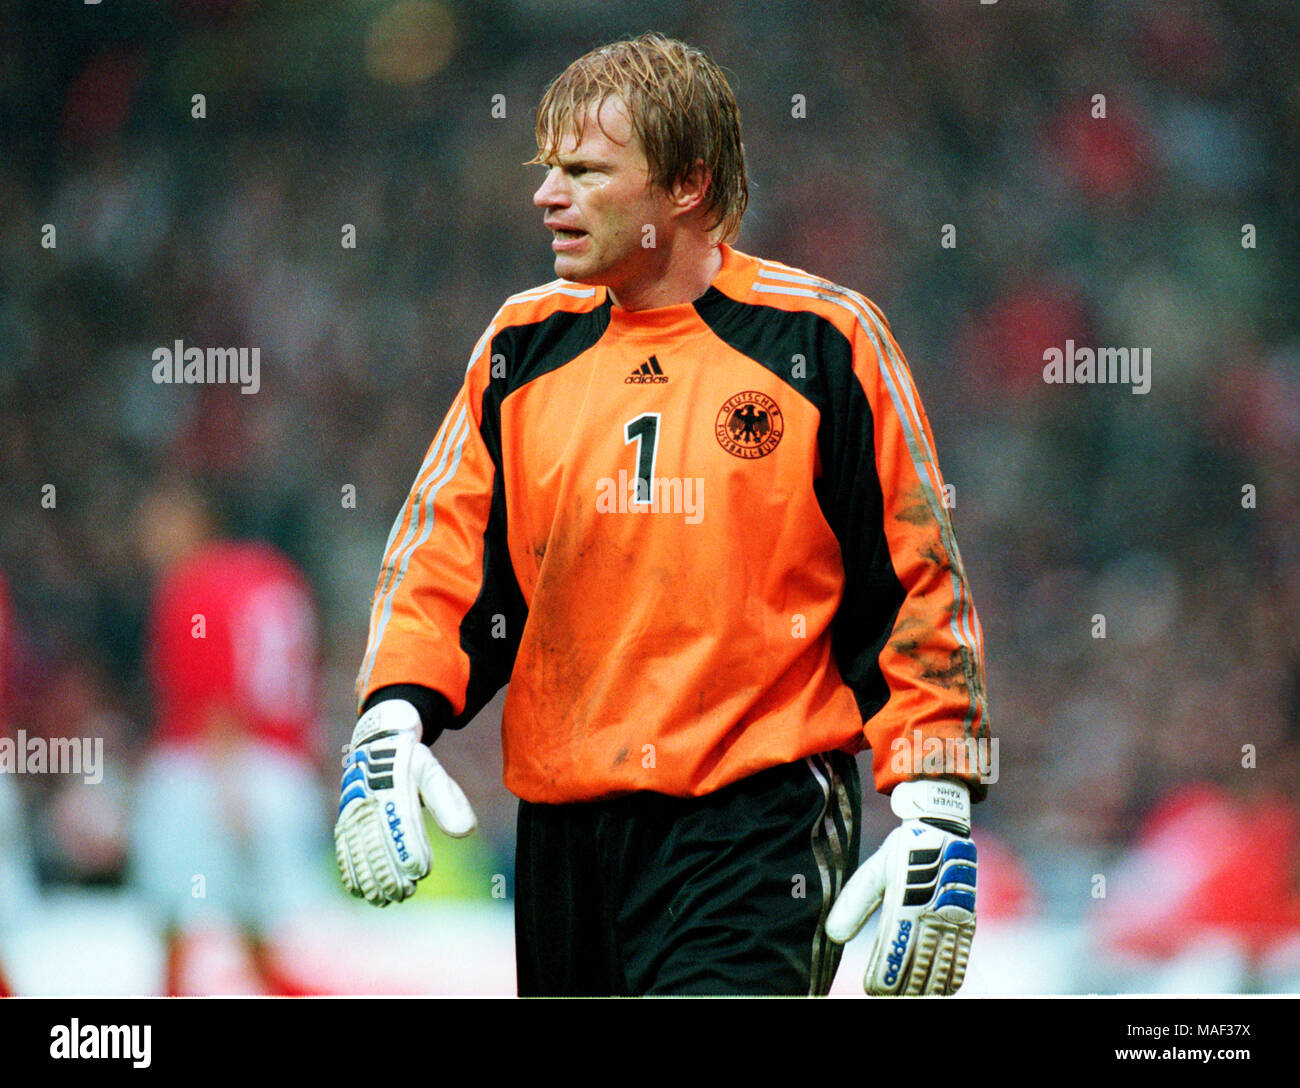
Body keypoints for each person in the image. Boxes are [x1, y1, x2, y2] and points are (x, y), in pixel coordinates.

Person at [336, 32, 991, 996]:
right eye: (547, 168)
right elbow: (446, 558)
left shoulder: (823, 341)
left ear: (683, 186)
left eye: (584, 170)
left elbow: (916, 581)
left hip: (754, 828)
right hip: (564, 838)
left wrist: (934, 796)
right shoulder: (522, 345)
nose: (546, 195)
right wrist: (391, 719)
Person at [132, 478, 332, 994]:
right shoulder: (275, 575)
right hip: (283, 772)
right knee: (258, 939)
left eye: (160, 519)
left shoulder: (193, 583)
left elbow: (218, 696)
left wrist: (229, 788)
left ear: (197, 521)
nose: (147, 534)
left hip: (211, 775)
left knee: (173, 927)